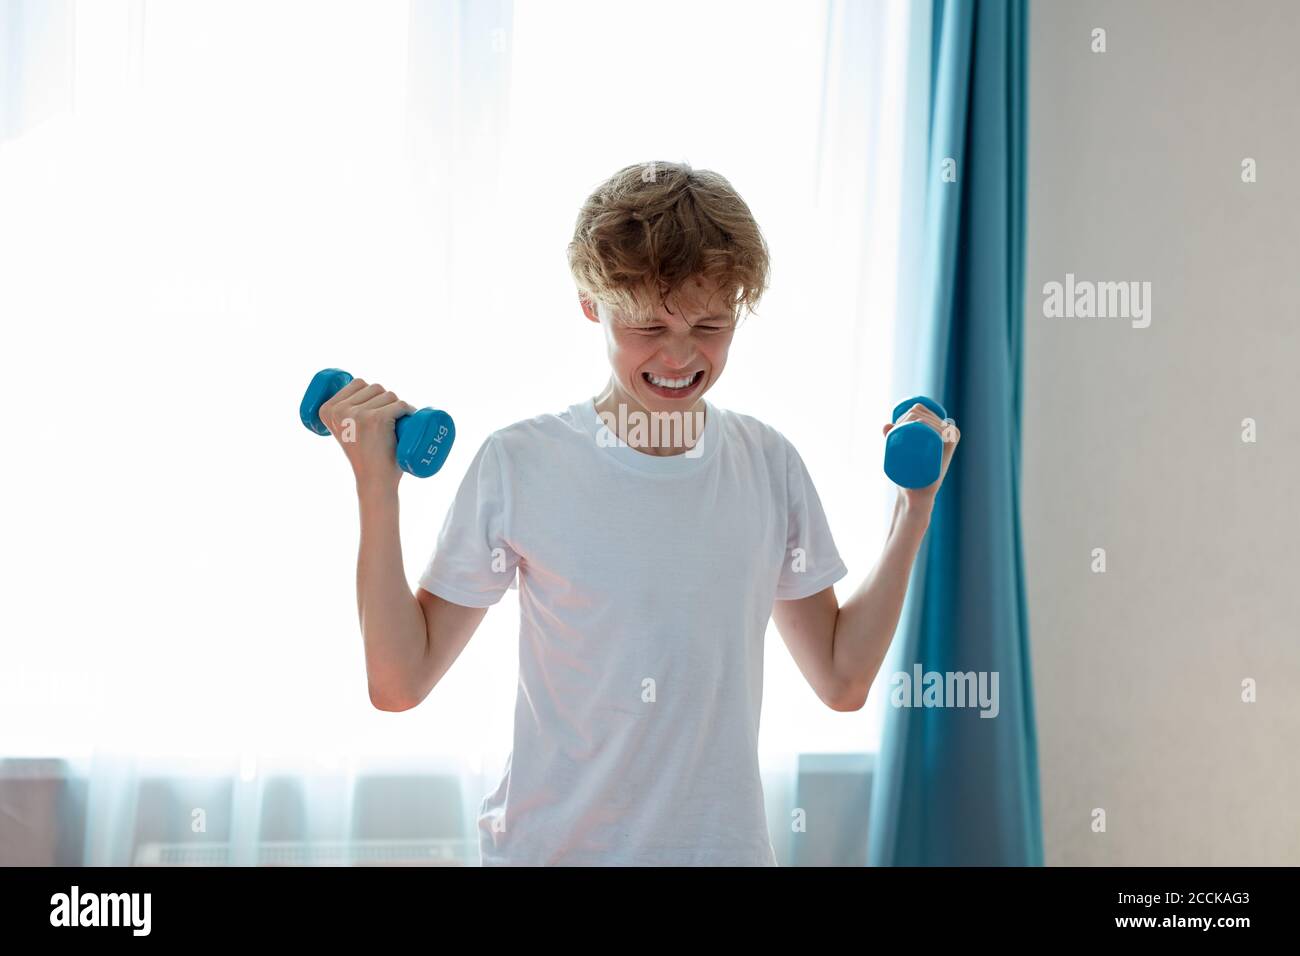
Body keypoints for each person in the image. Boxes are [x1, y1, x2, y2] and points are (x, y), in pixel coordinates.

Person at [317, 161, 959, 866]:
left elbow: (842, 679)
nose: (681, 356)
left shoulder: (768, 465)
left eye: (710, 325)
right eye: (649, 324)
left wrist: (913, 509)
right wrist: (377, 491)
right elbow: (400, 683)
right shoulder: (521, 464)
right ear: (593, 305)